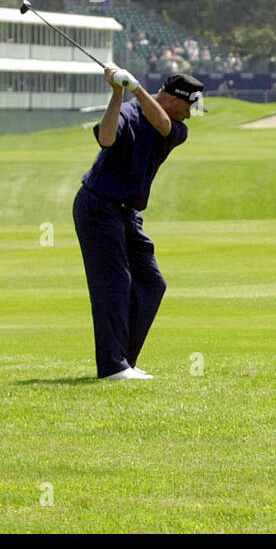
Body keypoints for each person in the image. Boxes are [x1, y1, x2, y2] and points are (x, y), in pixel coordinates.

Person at [73, 70, 201, 381]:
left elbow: (163, 124)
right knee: (114, 285)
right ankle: (112, 367)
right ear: (172, 99)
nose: (191, 114)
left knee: (151, 282)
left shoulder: (176, 128)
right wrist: (118, 92)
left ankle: (124, 361)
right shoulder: (128, 112)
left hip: (128, 214)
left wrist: (136, 88)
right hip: (98, 207)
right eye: (189, 107)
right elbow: (106, 138)